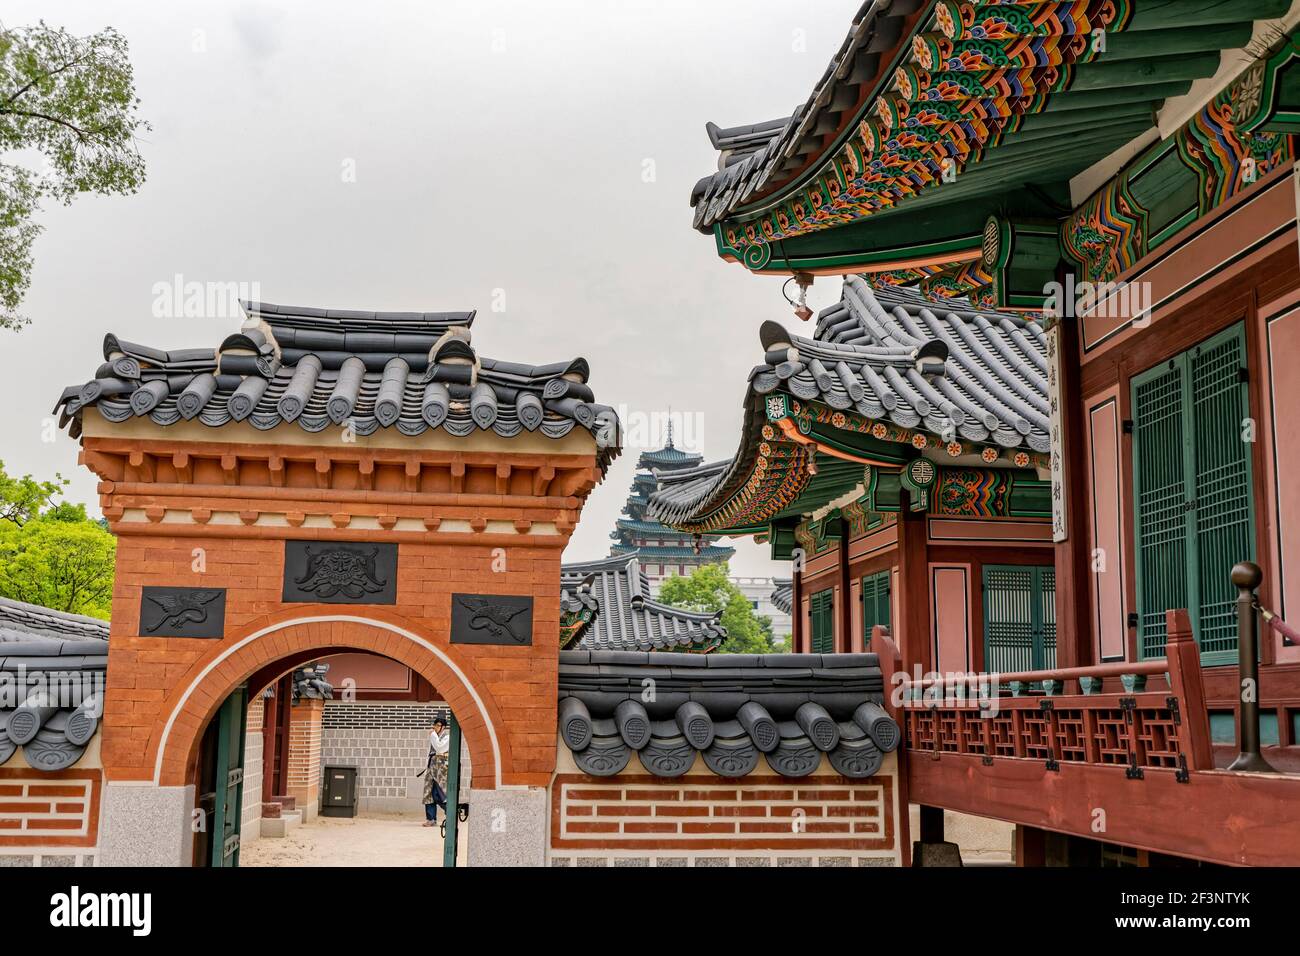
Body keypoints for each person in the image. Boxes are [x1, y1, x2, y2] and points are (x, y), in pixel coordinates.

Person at [422, 717, 449, 827]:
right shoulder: (435, 737)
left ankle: (451, 813)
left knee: (439, 794)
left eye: (438, 725)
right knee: (428, 792)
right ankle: (431, 818)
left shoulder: (447, 737)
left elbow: (440, 748)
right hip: (431, 766)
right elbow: (430, 753)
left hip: (441, 769)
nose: (435, 728)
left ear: (443, 727)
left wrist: (433, 735)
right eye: (435, 725)